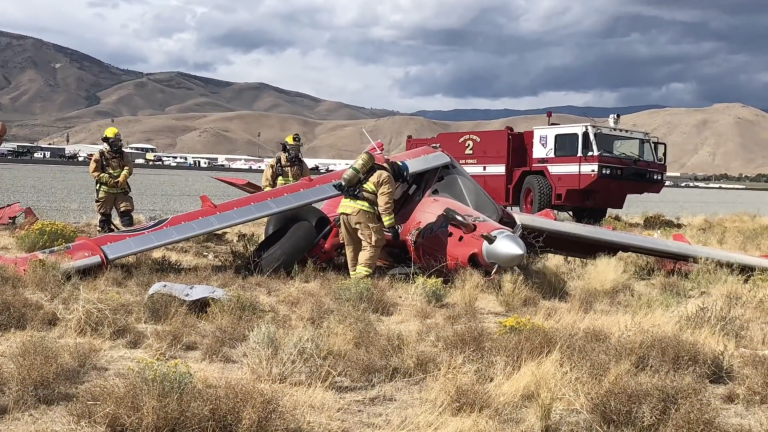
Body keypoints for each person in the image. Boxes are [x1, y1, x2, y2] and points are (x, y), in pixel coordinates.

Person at [337, 158, 409, 278]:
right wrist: (391, 227)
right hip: (362, 211)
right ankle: (360, 280)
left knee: (352, 245)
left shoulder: (368, 172)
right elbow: (385, 205)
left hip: (344, 210)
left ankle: (354, 278)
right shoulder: (386, 176)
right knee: (372, 244)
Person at [89, 126, 135, 233]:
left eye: (118, 142)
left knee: (126, 214)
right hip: (105, 192)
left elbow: (128, 167)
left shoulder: (123, 154)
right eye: (114, 142)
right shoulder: (99, 155)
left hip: (121, 190)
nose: (117, 144)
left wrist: (123, 176)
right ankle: (105, 235)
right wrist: (107, 179)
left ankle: (130, 234)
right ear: (107, 141)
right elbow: (94, 171)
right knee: (104, 216)